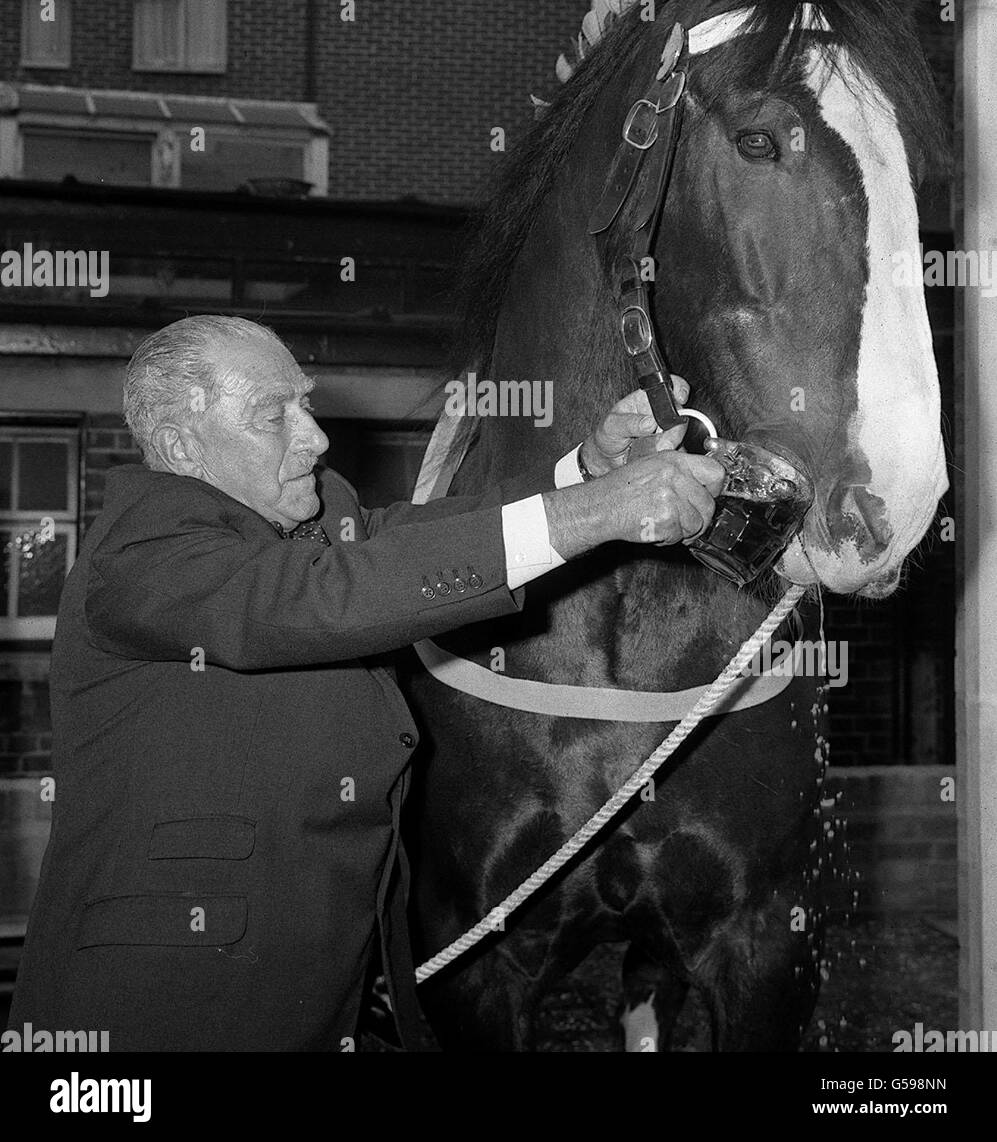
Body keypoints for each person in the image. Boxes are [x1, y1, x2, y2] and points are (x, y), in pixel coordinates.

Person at [9, 314, 724, 1052]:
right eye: (271, 415)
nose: (314, 437)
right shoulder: (143, 544)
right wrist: (594, 515)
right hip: (170, 1002)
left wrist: (588, 472)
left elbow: (420, 538)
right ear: (186, 446)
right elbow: (317, 598)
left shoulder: (309, 515)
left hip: (318, 980)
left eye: (304, 403)